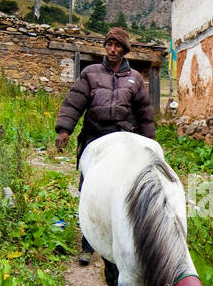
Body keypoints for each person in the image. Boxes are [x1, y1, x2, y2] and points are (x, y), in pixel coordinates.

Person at [55, 27, 156, 264]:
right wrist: (64, 130)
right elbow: (73, 103)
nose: (112, 49)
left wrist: (149, 144)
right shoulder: (90, 74)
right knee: (89, 188)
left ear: (124, 50)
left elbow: (144, 114)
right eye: (109, 44)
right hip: (95, 139)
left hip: (122, 140)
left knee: (123, 190)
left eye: (118, 45)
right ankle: (88, 244)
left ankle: (122, 239)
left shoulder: (135, 78)